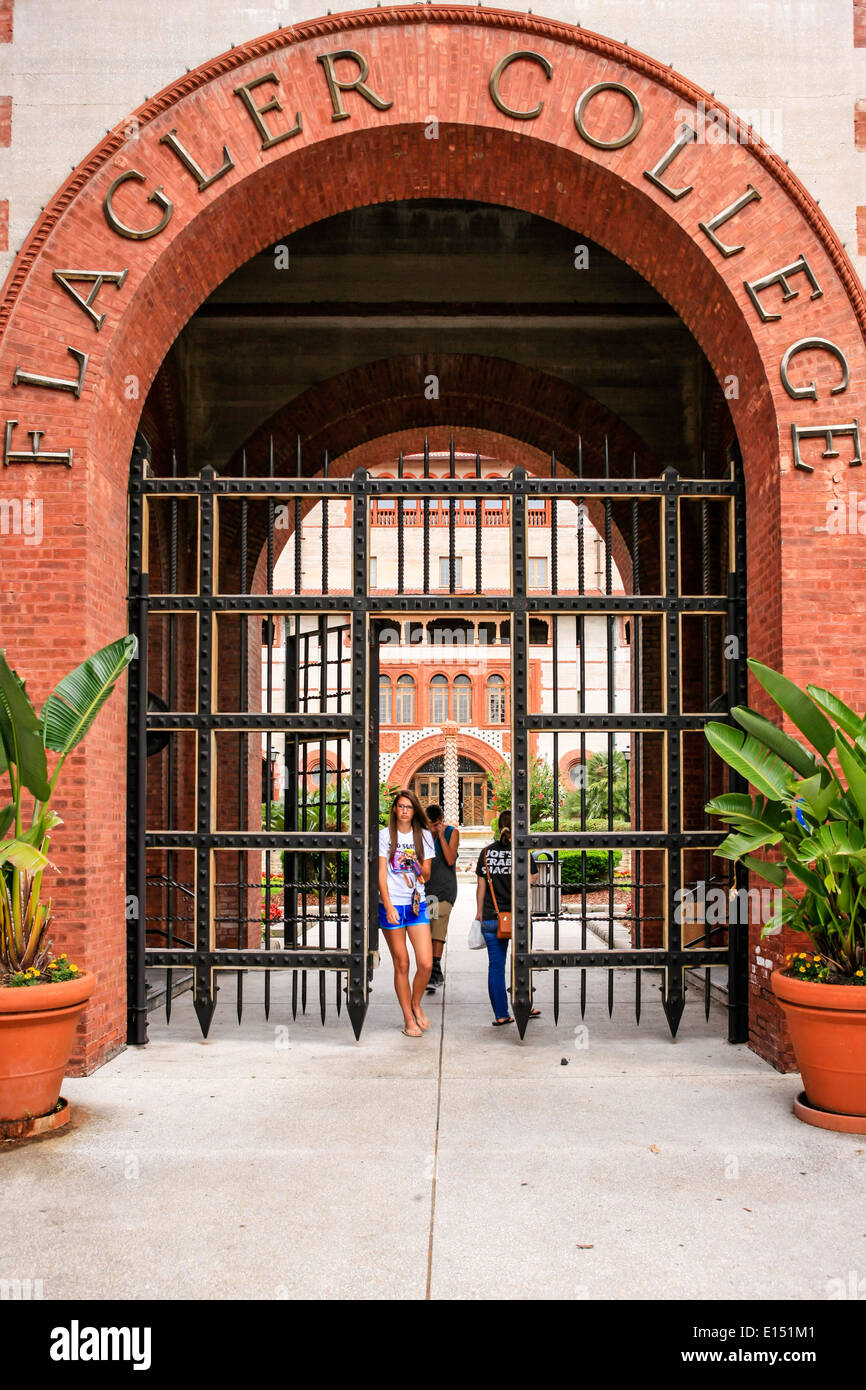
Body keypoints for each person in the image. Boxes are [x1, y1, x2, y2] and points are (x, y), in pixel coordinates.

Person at [378, 788, 435, 1037]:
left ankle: (416, 1002)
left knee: (426, 963)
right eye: (400, 806)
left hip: (416, 904)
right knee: (402, 964)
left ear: (414, 811)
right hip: (392, 906)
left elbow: (427, 876)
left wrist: (415, 865)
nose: (404, 811)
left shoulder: (423, 836)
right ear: (394, 809)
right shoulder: (384, 836)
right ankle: (408, 1018)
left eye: (408, 807)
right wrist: (388, 905)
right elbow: (381, 873)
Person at [474, 810, 540, 1027]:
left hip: (492, 917)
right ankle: (525, 1005)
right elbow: (532, 878)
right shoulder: (522, 852)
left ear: (497, 825)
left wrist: (479, 913)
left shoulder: (485, 853)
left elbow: (481, 887)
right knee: (522, 963)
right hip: (518, 917)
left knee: (496, 966)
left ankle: (501, 1014)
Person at [424, 803, 459, 992]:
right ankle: (433, 971)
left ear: (442, 820)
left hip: (444, 890)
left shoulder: (452, 832)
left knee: (438, 930)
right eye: (430, 824)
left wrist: (441, 836)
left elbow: (450, 859)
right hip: (427, 890)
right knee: (426, 932)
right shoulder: (422, 835)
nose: (432, 828)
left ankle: (434, 970)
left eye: (436, 824)